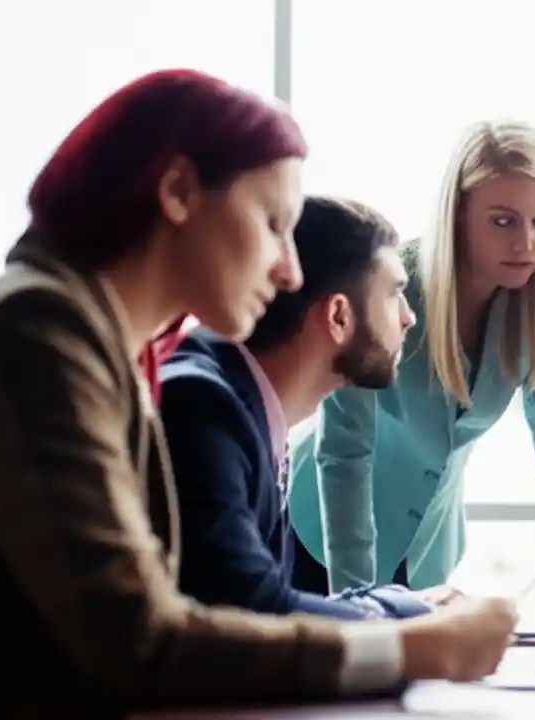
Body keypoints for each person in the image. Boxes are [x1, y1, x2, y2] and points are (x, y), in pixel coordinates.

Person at [0, 69, 515, 713]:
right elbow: (135, 640)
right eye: (272, 222)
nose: (289, 271)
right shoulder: (41, 329)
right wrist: (416, 650)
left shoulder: (113, 352)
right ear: (178, 191)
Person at [287, 120, 535, 619]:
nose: (526, 244)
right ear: (458, 214)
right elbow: (345, 454)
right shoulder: (386, 291)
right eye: (503, 221)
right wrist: (358, 605)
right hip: (319, 541)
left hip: (425, 558)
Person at [160, 194, 448, 620]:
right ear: (338, 316)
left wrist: (406, 604)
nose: (409, 317)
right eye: (395, 294)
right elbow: (252, 608)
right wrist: (405, 615)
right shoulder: (202, 409)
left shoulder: (247, 404)